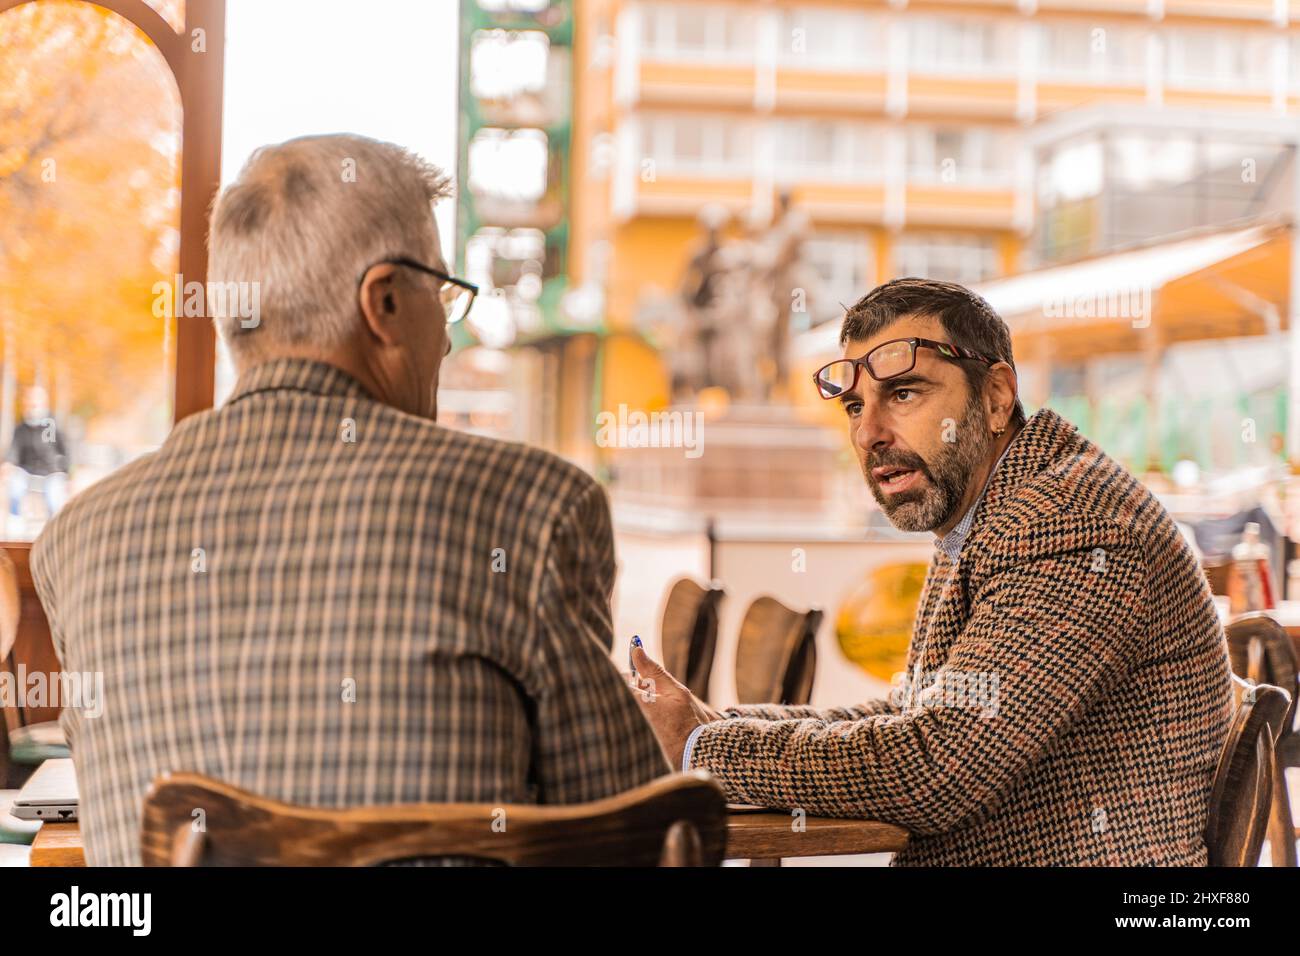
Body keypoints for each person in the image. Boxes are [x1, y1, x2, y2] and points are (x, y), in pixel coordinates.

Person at [31, 134, 667, 866]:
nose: (450, 344)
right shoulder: (533, 507)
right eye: (445, 296)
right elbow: (629, 839)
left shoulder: (77, 541)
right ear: (386, 300)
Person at [630, 277, 1234, 866]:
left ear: (996, 397)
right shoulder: (993, 510)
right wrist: (706, 723)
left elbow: (937, 767)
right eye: (855, 406)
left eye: (905, 394)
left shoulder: (1072, 523)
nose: (869, 433)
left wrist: (700, 746)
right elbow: (912, 715)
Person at [6, 386, 69, 530]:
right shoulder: (21, 429)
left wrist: (68, 474)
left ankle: (55, 529)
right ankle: (15, 530)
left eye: (36, 401)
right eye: (29, 401)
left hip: (51, 472)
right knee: (15, 488)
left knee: (54, 499)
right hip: (26, 471)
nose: (32, 405)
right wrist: (8, 464)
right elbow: (13, 451)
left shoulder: (53, 426)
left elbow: (66, 450)